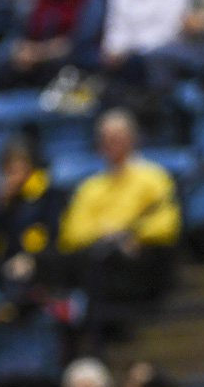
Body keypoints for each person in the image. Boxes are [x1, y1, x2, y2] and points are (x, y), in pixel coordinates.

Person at [58, 108, 180, 344]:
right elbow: (71, 233)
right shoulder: (90, 187)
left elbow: (166, 225)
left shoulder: (154, 178)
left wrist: (130, 234)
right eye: (106, 139)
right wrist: (107, 234)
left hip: (140, 256)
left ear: (133, 139)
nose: (111, 144)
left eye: (117, 138)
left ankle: (104, 334)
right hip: (99, 254)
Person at [0, 136, 65, 304]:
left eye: (19, 164)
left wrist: (32, 259)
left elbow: (55, 238)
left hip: (39, 266)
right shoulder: (2, 198)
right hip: (6, 268)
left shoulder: (48, 194)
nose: (13, 172)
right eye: (9, 166)